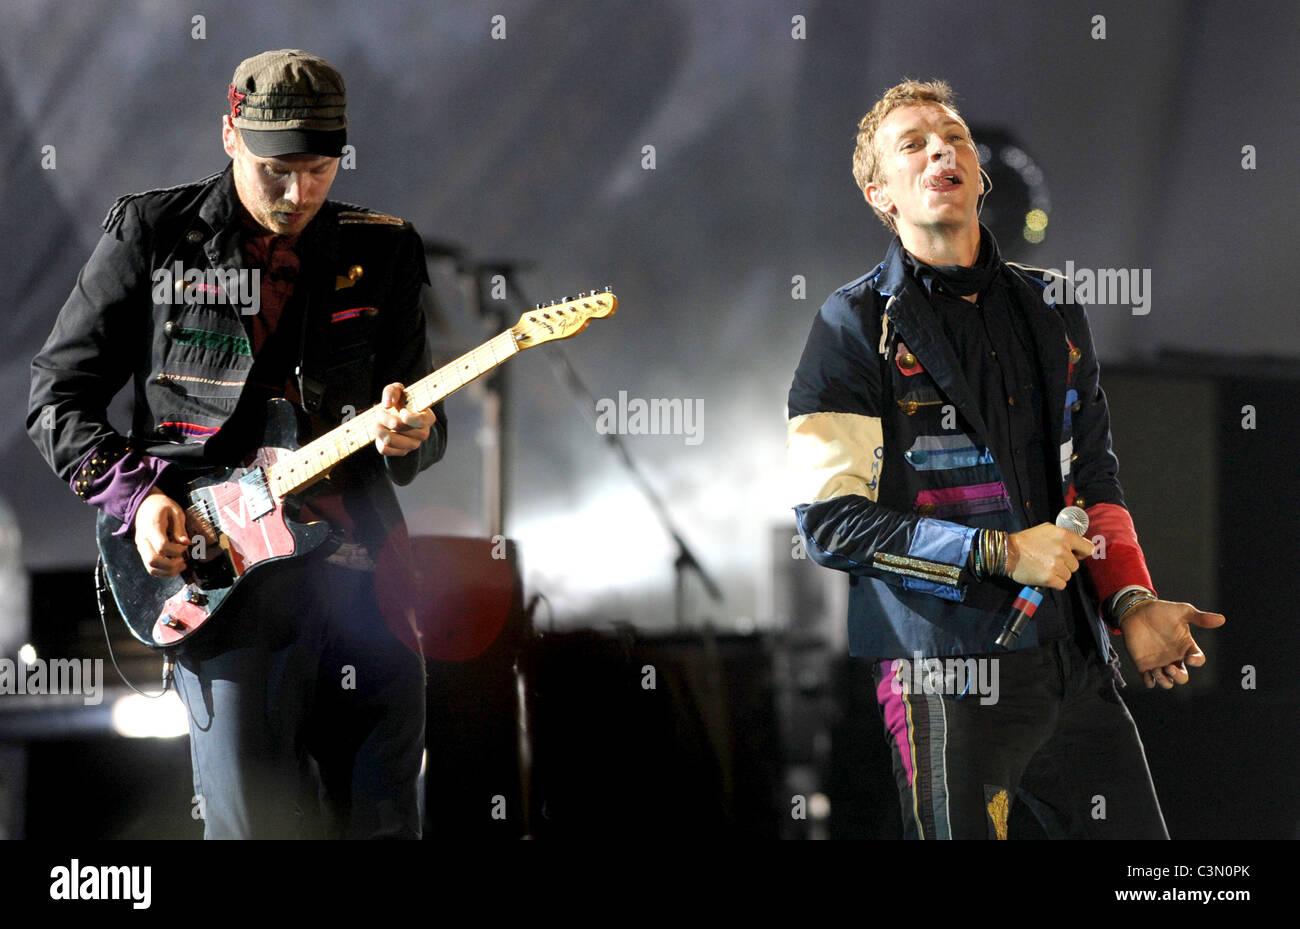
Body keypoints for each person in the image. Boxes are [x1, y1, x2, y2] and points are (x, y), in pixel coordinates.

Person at [786, 79, 1225, 839]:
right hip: (943, 672)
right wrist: (1001, 552)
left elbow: (1094, 479)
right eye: (912, 145)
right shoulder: (851, 325)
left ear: (980, 175)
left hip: (1074, 664)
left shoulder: (1055, 307)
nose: (940, 151)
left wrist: (1130, 601)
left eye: (952, 137)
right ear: (879, 193)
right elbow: (830, 524)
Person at [27, 49, 447, 839]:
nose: (298, 194)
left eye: (319, 170)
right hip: (230, 583)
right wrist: (139, 498)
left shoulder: (382, 250)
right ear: (230, 136)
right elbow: (58, 397)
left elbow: (421, 429)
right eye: (276, 171)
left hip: (367, 582)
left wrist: (409, 435)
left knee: (385, 823)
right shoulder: (154, 237)